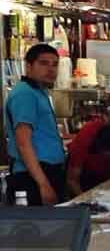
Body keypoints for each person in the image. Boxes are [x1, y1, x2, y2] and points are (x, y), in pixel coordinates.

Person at [4, 43, 66, 205]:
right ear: (29, 66)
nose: (51, 69)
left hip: (47, 172)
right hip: (32, 176)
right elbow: (23, 142)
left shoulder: (39, 92)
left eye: (55, 64)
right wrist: (43, 184)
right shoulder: (25, 94)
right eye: (44, 63)